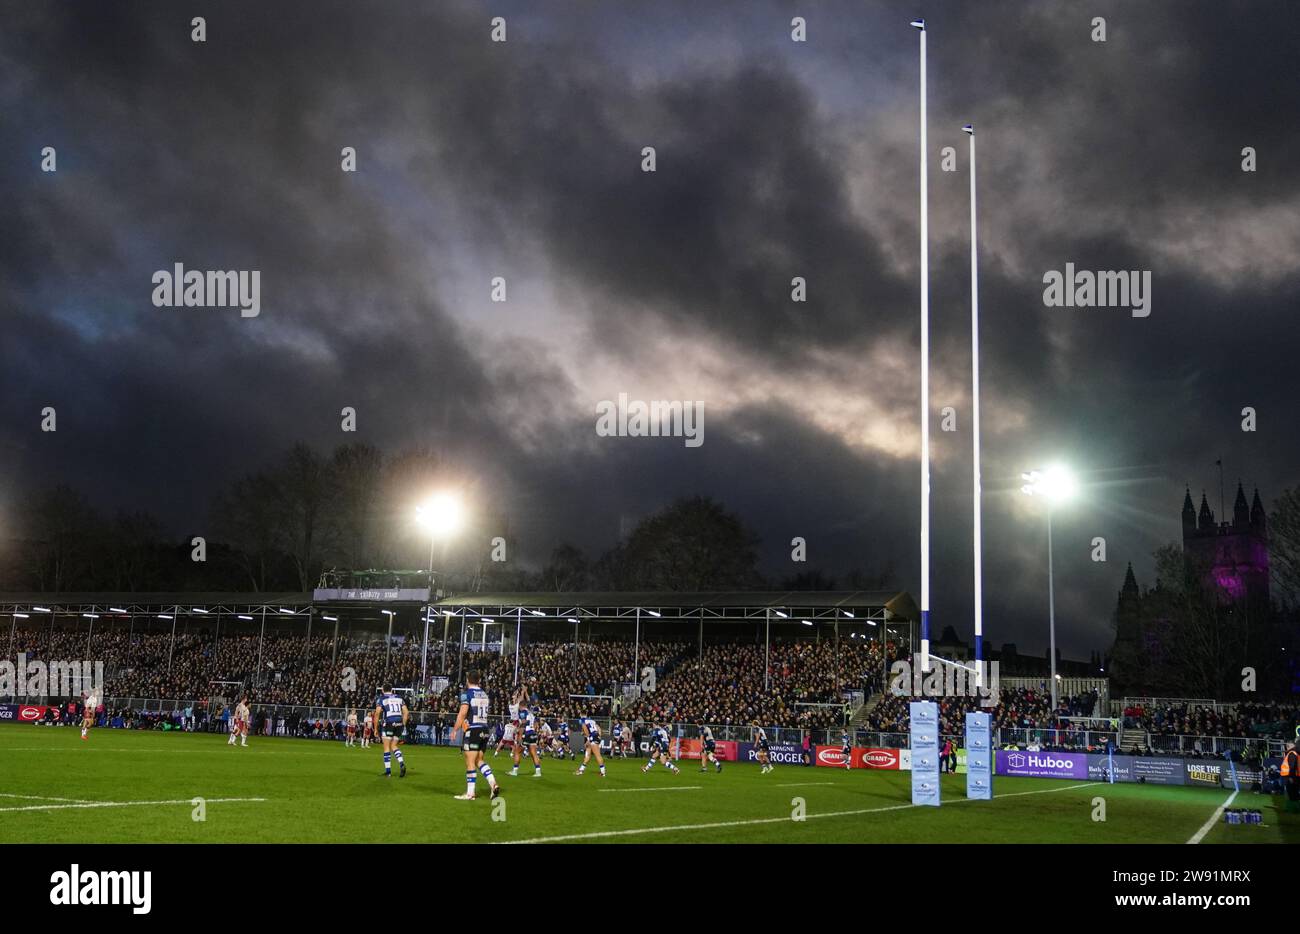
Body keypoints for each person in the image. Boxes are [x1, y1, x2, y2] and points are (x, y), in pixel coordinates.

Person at [452, 670, 501, 800]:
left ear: (468, 679)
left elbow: (463, 713)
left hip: (473, 730)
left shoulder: (467, 694)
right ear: (479, 680)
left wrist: (455, 729)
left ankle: (470, 793)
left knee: (470, 761)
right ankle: (493, 783)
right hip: (484, 730)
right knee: (479, 760)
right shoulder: (484, 694)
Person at [374, 686, 408, 778]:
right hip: (399, 723)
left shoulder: (381, 698)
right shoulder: (399, 698)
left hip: (389, 723)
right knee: (393, 745)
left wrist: (375, 728)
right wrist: (403, 724)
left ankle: (388, 772)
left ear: (382, 690)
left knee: (386, 747)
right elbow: (406, 712)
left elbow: (377, 713)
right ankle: (401, 763)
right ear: (392, 690)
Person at [510, 705, 543, 778]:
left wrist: (520, 735)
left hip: (527, 734)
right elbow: (536, 726)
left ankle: (514, 771)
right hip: (533, 734)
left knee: (517, 752)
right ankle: (538, 772)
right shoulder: (533, 715)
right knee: (534, 754)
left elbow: (524, 724)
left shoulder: (524, 713)